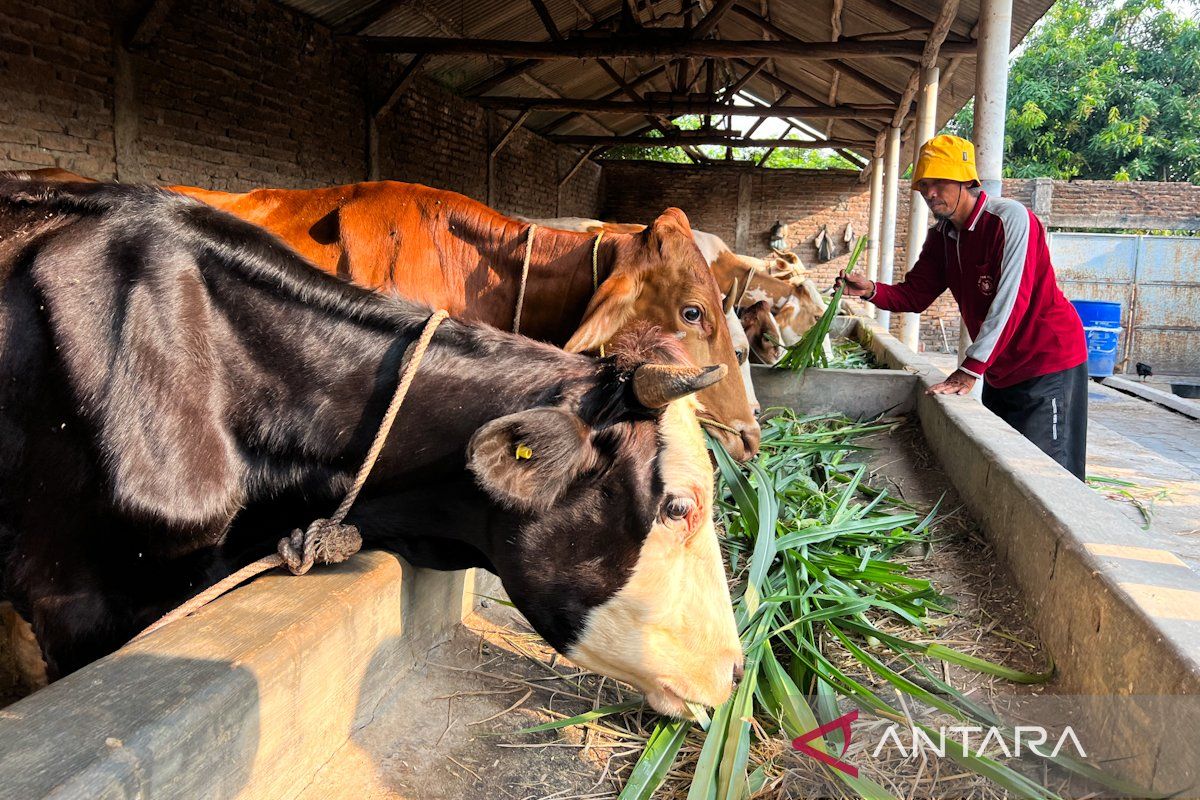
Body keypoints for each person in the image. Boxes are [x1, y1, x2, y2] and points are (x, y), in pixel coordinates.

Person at [837, 134, 1089, 480]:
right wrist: (870, 290)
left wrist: (969, 370)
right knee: (1010, 467)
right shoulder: (942, 235)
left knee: (1049, 472)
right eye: (924, 185)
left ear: (966, 181)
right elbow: (916, 295)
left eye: (939, 182)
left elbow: (1012, 300)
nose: (930, 193)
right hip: (1002, 369)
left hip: (1047, 360)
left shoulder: (1010, 219)